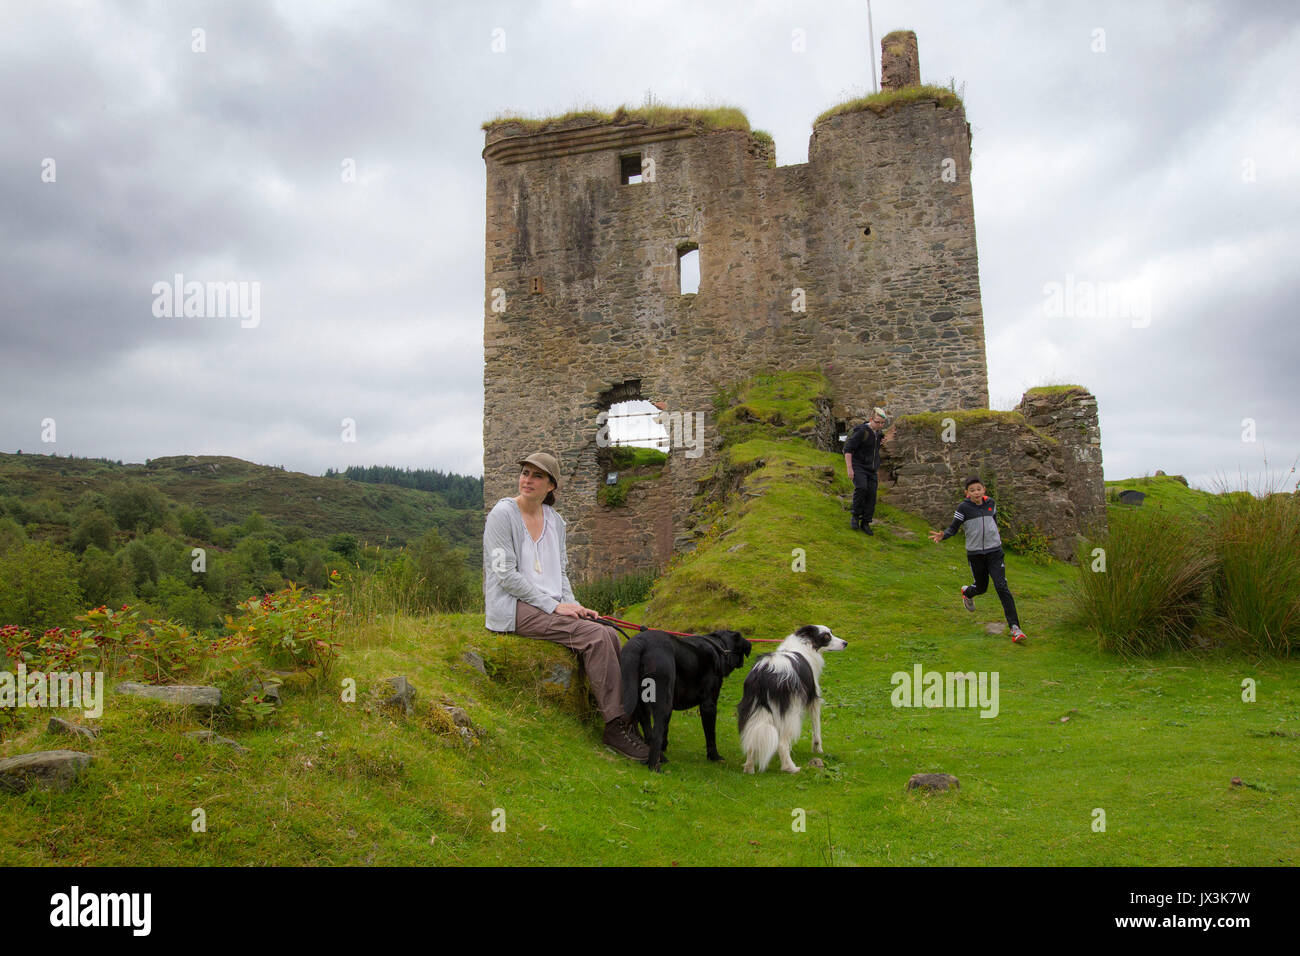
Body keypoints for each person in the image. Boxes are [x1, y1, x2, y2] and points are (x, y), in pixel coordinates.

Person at [483, 451, 650, 761]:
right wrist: (554, 606)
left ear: (551, 486)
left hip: (547, 604)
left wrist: (573, 604)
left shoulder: (556, 522)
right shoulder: (502, 515)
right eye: (525, 473)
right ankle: (615, 727)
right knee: (596, 638)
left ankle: (629, 719)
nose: (527, 480)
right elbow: (504, 575)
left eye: (536, 475)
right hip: (512, 607)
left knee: (609, 633)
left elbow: (559, 574)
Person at [928, 476, 1027, 643]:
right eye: (972, 490)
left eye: (978, 489)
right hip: (975, 555)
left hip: (995, 552)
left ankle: (1015, 628)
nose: (976, 492)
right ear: (967, 493)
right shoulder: (963, 508)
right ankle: (967, 593)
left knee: (1001, 586)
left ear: (984, 490)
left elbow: (993, 522)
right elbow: (954, 527)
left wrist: (995, 538)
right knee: (982, 587)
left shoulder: (991, 504)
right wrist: (943, 535)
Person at [844, 408, 889, 534]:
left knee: (872, 495)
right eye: (877, 422)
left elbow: (872, 448)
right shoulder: (861, 431)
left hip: (872, 468)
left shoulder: (879, 433)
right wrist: (849, 468)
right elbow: (848, 449)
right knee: (861, 488)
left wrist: (881, 443)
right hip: (858, 466)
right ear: (871, 420)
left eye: (882, 423)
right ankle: (855, 516)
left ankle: (866, 522)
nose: (880, 425)